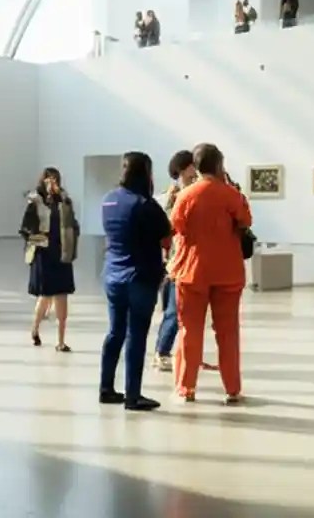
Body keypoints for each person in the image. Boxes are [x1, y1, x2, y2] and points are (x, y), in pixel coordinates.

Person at [170, 143, 252, 405]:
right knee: (228, 332)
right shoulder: (231, 195)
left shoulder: (186, 195)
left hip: (192, 270)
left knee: (190, 331)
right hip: (228, 272)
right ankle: (232, 389)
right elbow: (245, 220)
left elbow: (177, 226)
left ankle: (187, 388)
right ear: (219, 165)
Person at [99, 152, 173, 411]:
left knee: (115, 331)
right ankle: (133, 395)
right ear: (146, 173)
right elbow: (167, 239)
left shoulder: (108, 200)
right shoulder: (145, 204)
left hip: (112, 274)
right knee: (136, 335)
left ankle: (106, 388)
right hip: (139, 277)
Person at [21, 168, 78, 351]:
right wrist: (39, 240)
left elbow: (73, 224)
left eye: (55, 178)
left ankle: (61, 341)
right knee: (45, 296)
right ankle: (35, 329)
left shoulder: (65, 200)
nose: (51, 181)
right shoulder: (35, 201)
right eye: (48, 178)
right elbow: (25, 229)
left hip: (62, 253)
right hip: (44, 254)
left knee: (62, 295)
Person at [152, 149, 198, 372]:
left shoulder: (190, 191)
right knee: (174, 308)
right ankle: (162, 352)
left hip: (183, 259)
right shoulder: (171, 195)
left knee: (175, 308)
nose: (195, 170)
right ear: (182, 168)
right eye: (191, 166)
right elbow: (168, 226)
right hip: (175, 261)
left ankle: (163, 350)